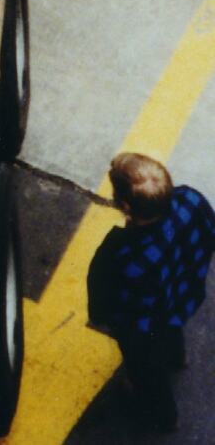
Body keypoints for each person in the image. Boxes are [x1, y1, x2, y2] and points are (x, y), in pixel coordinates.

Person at [87, 152, 215, 432]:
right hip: (181, 297)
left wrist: (100, 318)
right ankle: (177, 356)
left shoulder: (120, 253)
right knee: (171, 327)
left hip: (142, 329)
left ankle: (164, 417)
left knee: (147, 372)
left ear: (125, 205)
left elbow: (103, 298)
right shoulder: (192, 200)